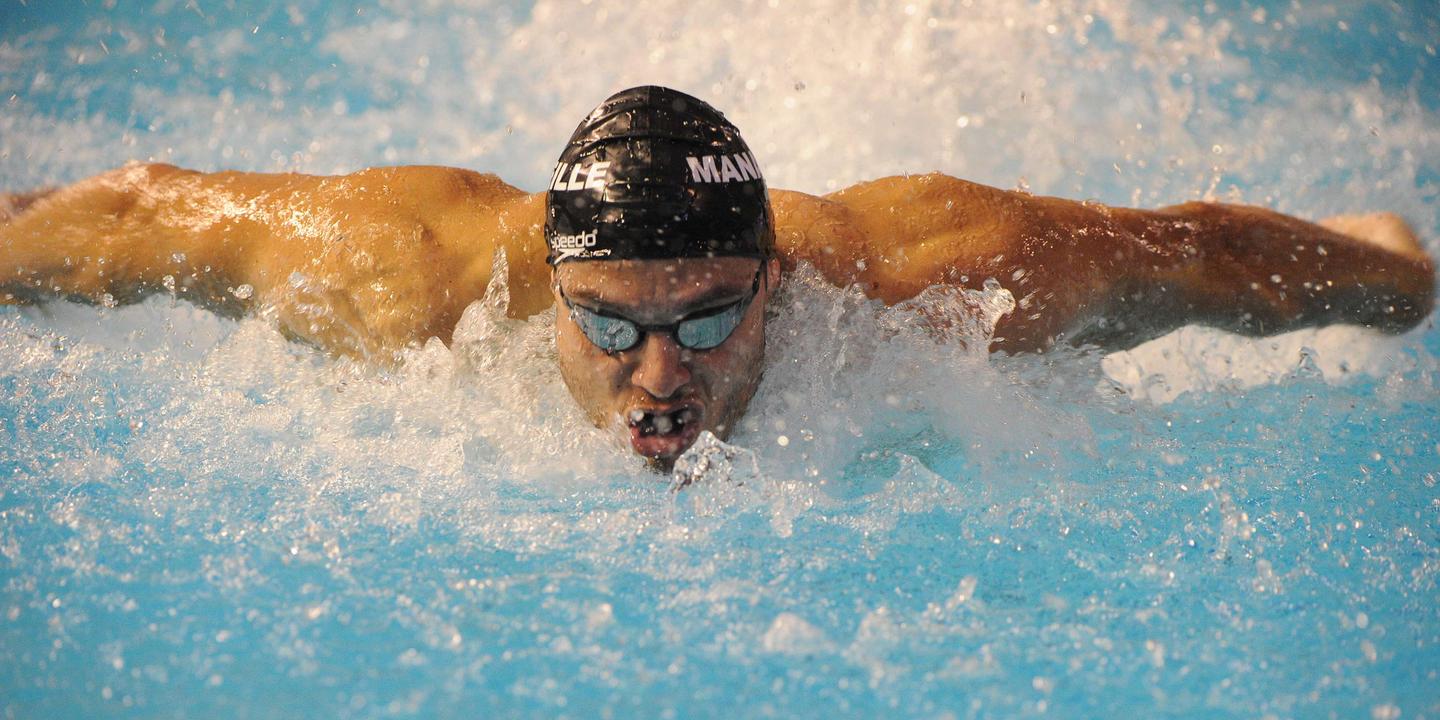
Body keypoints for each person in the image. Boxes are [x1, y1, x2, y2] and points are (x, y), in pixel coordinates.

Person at [1, 86, 1434, 467]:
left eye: (708, 317)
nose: (662, 377)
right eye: (612, 327)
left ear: (774, 283)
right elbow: (140, 217)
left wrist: (1396, 272)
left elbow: (1200, 254)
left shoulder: (930, 286)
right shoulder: (405, 283)